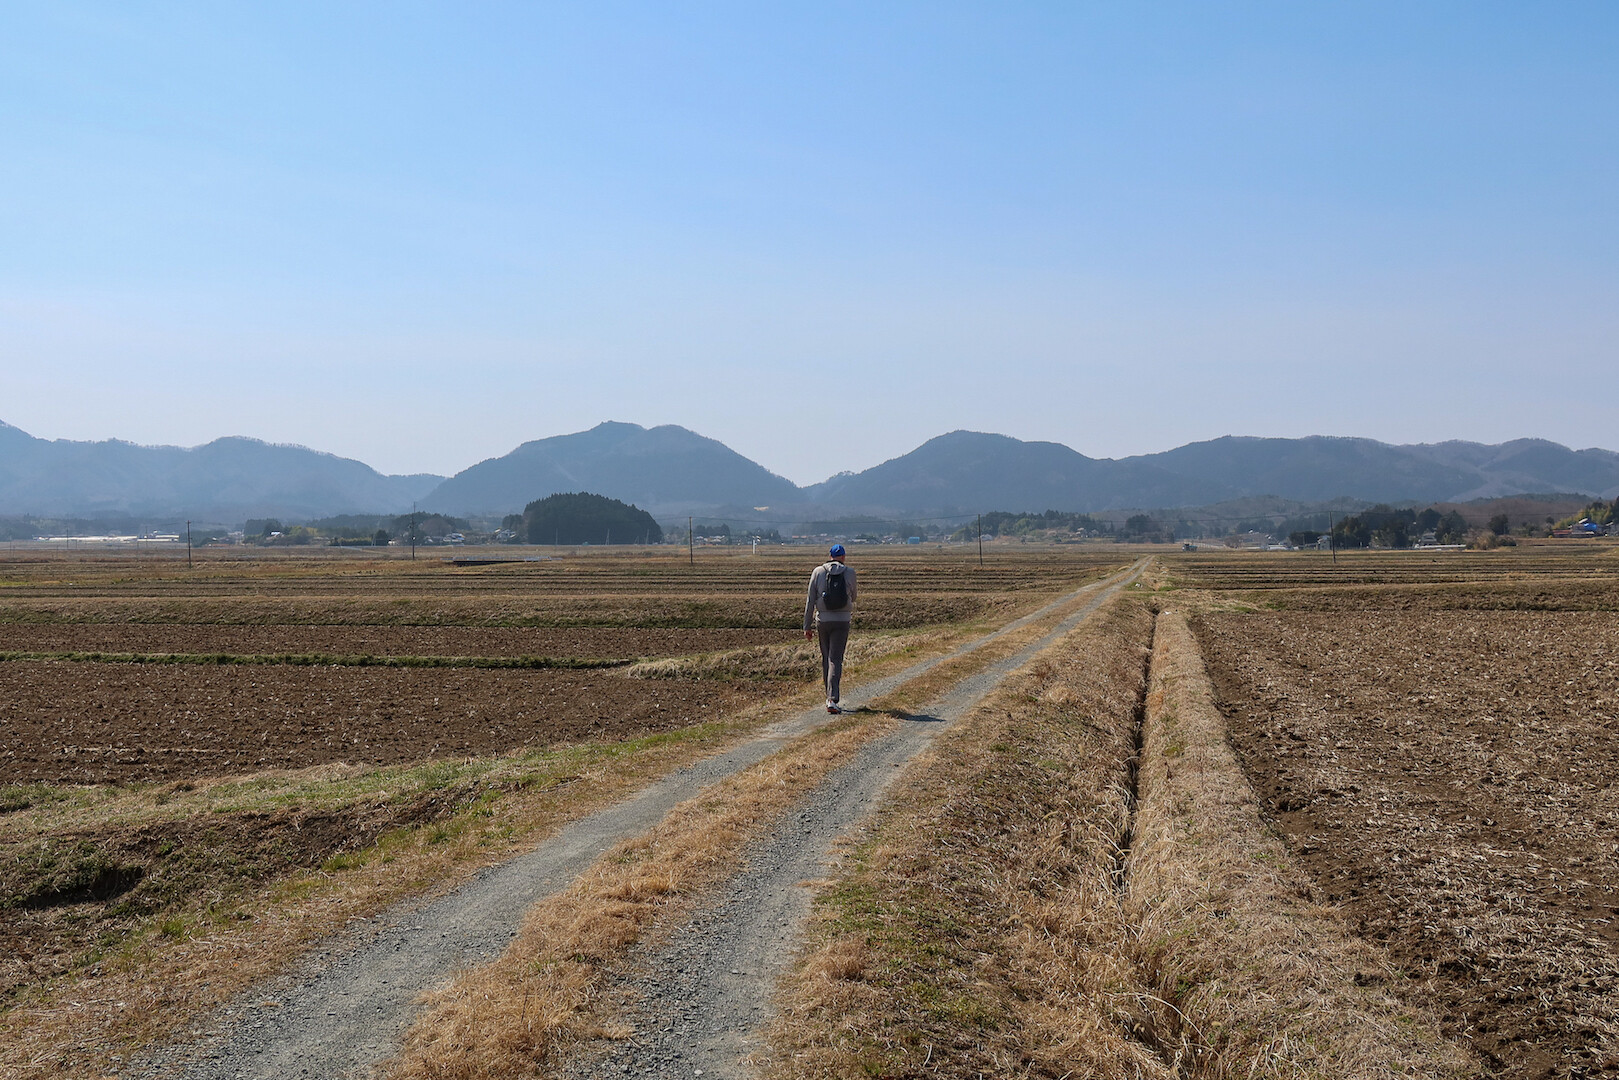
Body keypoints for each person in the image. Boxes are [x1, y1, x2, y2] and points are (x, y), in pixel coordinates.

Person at [804, 543, 858, 714]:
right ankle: (832, 698)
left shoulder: (818, 572)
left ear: (829, 555)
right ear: (843, 556)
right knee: (835, 658)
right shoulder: (849, 572)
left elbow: (810, 600)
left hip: (823, 620)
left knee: (826, 657)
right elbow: (854, 596)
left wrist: (807, 626)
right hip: (842, 621)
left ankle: (828, 696)